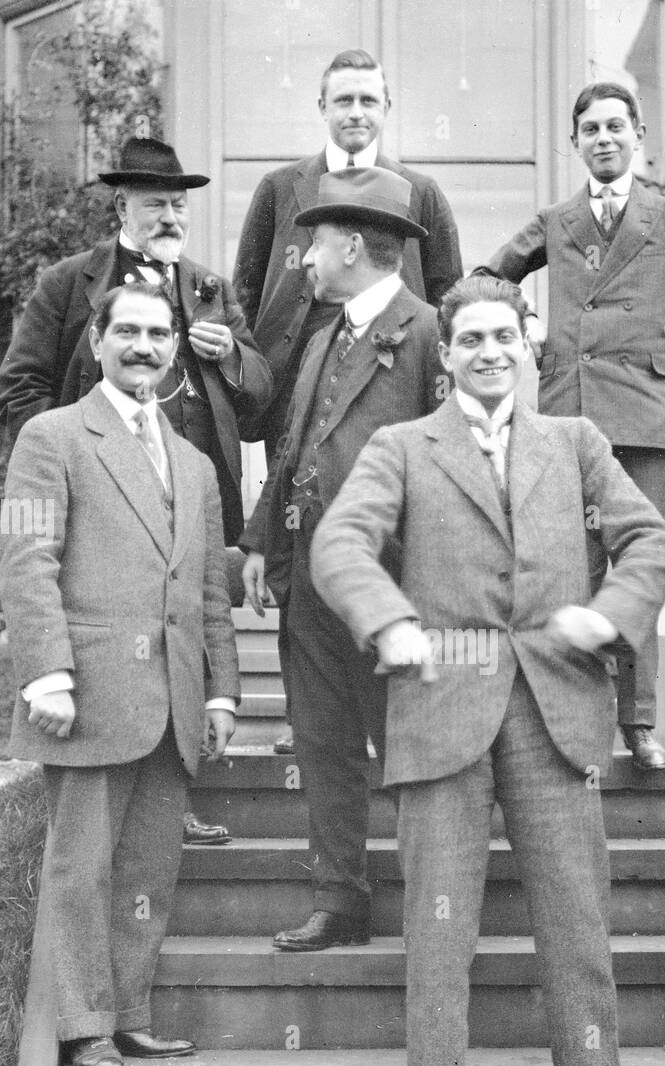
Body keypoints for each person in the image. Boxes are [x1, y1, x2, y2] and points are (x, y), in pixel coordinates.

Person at [310, 275, 665, 1066]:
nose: (488, 352)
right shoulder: (403, 447)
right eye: (469, 338)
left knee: (578, 932)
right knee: (438, 937)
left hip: (557, 715)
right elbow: (340, 546)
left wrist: (608, 618)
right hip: (440, 712)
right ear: (446, 354)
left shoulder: (578, 442)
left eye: (503, 337)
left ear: (528, 346)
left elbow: (650, 544)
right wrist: (389, 621)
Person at [477, 82, 665, 770]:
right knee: (569, 570)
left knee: (641, 563)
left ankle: (640, 726)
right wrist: (527, 329)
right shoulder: (556, 220)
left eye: (617, 126)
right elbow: (492, 275)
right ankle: (573, 726)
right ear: (575, 141)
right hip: (568, 413)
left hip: (643, 412)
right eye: (590, 129)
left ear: (638, 135)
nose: (604, 138)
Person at [0, 136, 272, 844]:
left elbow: (262, 401)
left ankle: (167, 801)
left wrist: (233, 355)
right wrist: (63, 461)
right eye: (157, 204)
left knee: (179, 634)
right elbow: (17, 386)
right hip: (95, 504)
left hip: (187, 504)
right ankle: (113, 811)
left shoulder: (209, 290)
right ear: (123, 205)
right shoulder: (68, 283)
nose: (172, 215)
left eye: (180, 204)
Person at [0, 281, 240, 1066]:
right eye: (127, 331)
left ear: (176, 349)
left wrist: (220, 690)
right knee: (82, 866)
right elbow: (26, 559)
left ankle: (130, 1012)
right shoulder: (51, 435)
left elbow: (207, 594)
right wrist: (47, 675)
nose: (144, 346)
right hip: (88, 692)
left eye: (159, 334)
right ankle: (81, 1023)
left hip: (170, 699)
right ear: (96, 340)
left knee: (147, 869)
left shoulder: (198, 464)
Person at [233, 47, 463, 757]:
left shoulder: (418, 193)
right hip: (300, 394)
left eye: (369, 100)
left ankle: (382, 708)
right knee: (300, 538)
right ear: (323, 109)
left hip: (391, 391)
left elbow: (449, 292)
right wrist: (259, 379)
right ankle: (312, 710)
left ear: (385, 109)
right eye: (344, 101)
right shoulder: (281, 188)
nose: (356, 112)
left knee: (388, 542)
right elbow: (246, 291)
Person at [240, 167, 444, 953]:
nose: (303, 261)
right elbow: (295, 449)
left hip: (393, 589)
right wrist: (263, 537)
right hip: (309, 580)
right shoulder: (323, 334)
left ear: (353, 245)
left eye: (313, 245)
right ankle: (341, 898)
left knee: (405, 742)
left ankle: (434, 895)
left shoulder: (426, 331)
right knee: (322, 738)